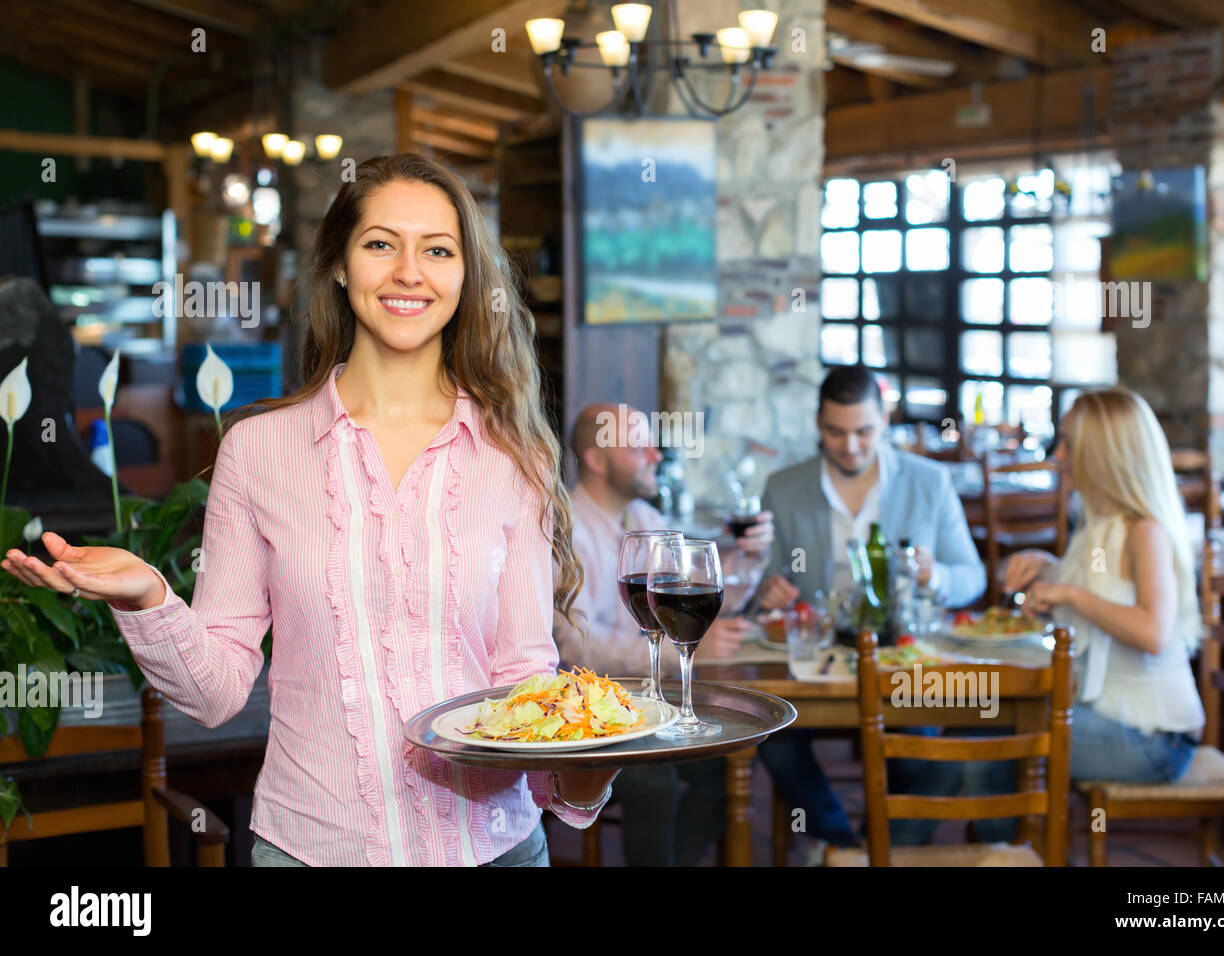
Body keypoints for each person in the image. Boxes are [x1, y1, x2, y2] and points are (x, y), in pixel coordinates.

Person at [3, 153, 617, 867]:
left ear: (465, 277)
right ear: (338, 264)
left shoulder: (515, 457)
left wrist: (590, 765)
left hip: (498, 848)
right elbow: (216, 693)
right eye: (380, 243)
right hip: (310, 849)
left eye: (438, 250)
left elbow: (524, 681)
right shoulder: (258, 452)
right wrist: (147, 597)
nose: (409, 271)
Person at [752, 365, 987, 857]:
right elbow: (763, 589)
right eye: (836, 432)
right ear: (819, 424)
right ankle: (840, 842)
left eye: (864, 431)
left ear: (885, 421)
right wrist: (768, 592)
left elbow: (973, 578)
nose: (851, 446)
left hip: (902, 655)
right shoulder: (784, 486)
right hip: (818, 656)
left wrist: (935, 575)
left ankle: (894, 842)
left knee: (919, 738)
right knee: (772, 736)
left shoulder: (930, 482)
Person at [552, 402, 772, 865]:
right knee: (656, 781)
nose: (656, 455)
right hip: (588, 717)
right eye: (639, 446)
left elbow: (692, 601)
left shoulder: (645, 518)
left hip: (650, 704)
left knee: (727, 765)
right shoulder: (562, 528)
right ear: (597, 458)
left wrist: (748, 562)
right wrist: (683, 655)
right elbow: (576, 647)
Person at [1004, 387, 1204, 783]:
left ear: (1104, 456)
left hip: (1154, 739)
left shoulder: (1145, 531)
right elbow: (1105, 589)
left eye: (1069, 443)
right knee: (987, 723)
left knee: (997, 735)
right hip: (1105, 715)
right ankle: (1015, 843)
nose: (1057, 455)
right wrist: (1049, 571)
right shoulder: (1097, 522)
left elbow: (1153, 633)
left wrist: (1069, 593)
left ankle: (1008, 844)